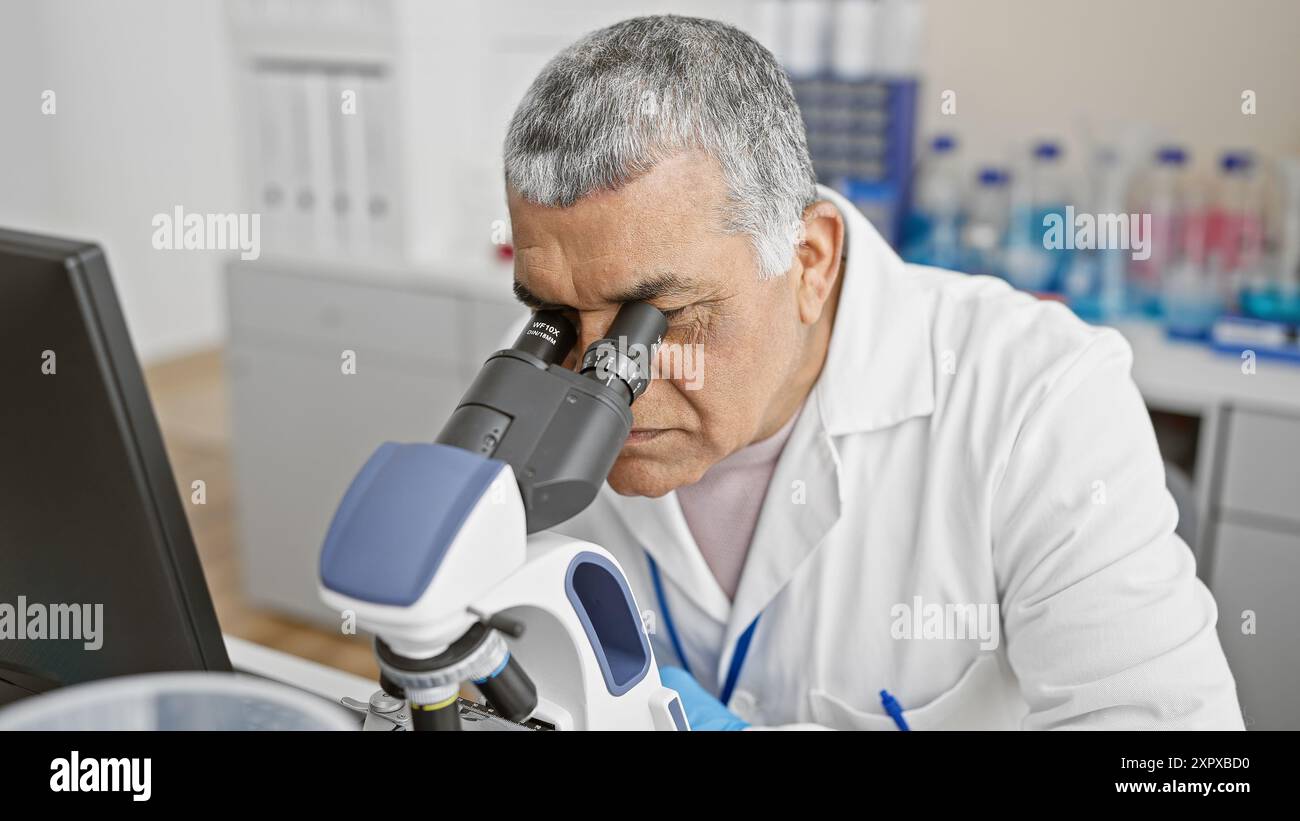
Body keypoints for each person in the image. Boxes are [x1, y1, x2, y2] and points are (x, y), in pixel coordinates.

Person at [499, 14, 1243, 729]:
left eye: (654, 315)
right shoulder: (543, 364)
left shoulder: (1038, 397)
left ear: (809, 261)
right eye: (560, 317)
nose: (602, 382)